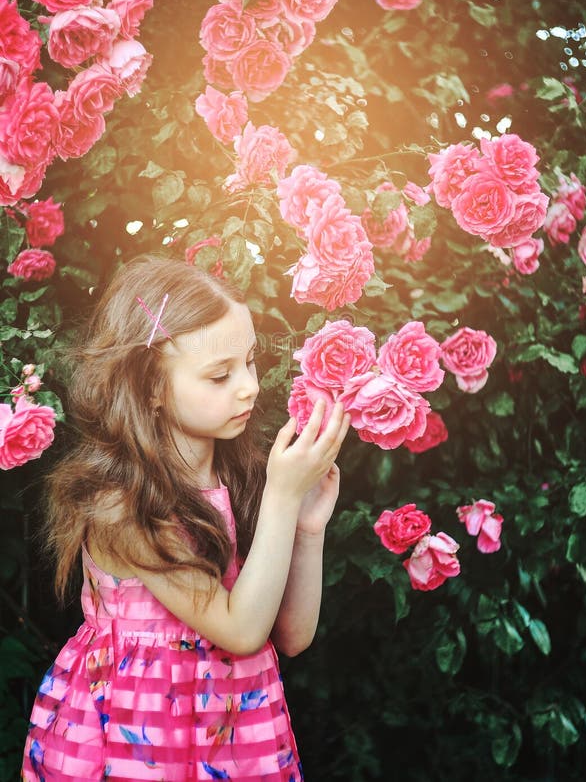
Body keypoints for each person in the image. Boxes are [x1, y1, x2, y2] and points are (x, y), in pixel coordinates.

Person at [22, 255, 351, 782]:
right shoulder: (124, 506)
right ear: (151, 387)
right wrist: (282, 497)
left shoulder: (237, 479)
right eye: (220, 375)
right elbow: (240, 631)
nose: (248, 386)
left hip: (231, 732)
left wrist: (307, 528)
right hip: (140, 732)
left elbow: (290, 637)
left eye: (249, 362)